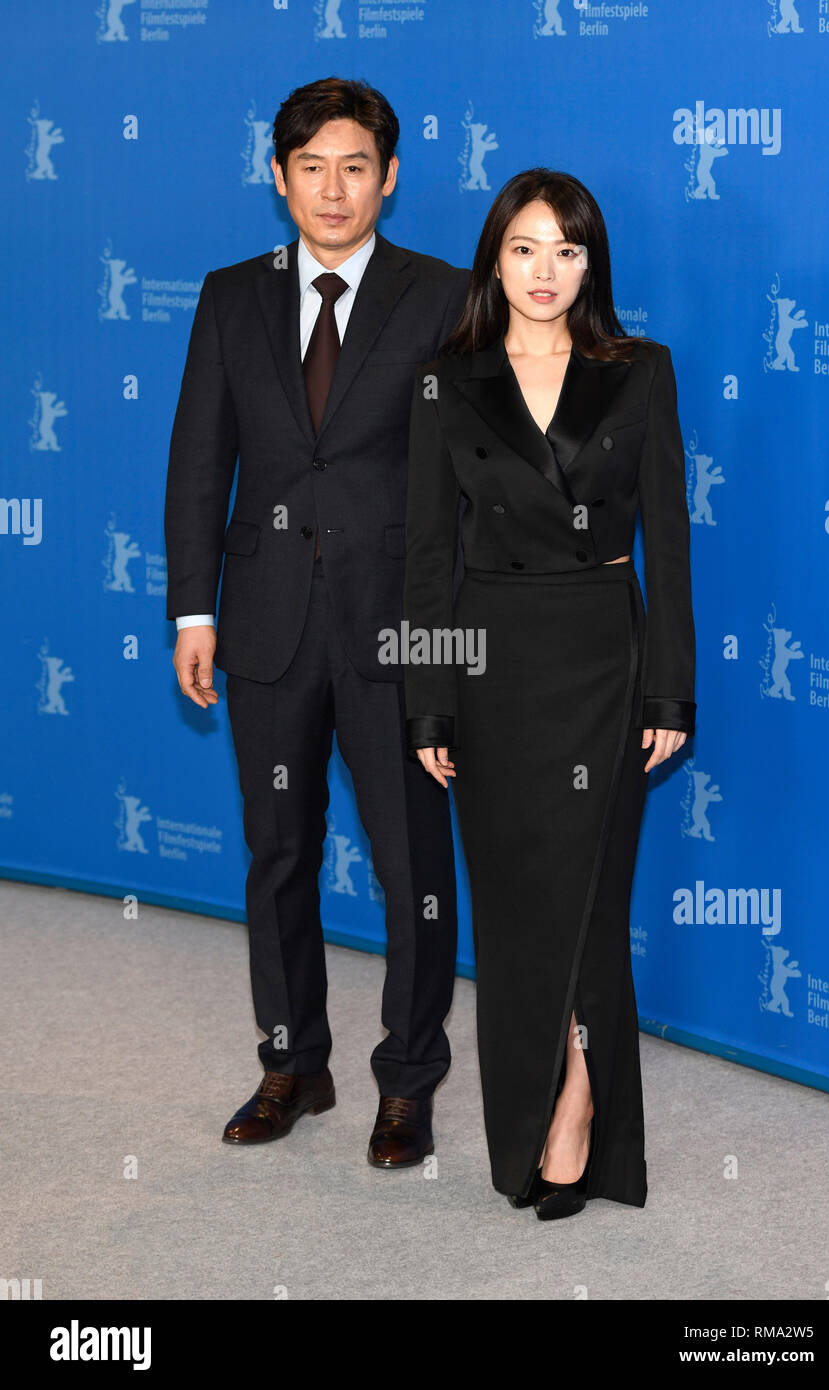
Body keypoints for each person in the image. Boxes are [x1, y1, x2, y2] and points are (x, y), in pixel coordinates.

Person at [164, 78, 470, 1168]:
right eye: (310, 167)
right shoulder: (229, 296)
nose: (332, 189)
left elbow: (470, 478)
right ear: (279, 176)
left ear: (388, 176)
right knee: (278, 852)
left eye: (354, 167)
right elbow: (202, 459)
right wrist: (193, 606)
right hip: (265, 620)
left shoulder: (445, 296)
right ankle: (293, 1062)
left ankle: (409, 1078)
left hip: (398, 629)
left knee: (409, 863)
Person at [403, 168, 697, 1219]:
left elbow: (670, 541)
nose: (544, 271)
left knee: (591, 903)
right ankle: (538, 1104)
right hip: (490, 672)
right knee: (521, 911)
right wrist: (427, 704)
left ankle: (577, 1111)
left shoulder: (641, 372)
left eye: (567, 250)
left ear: (591, 263)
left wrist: (672, 693)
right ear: (496, 256)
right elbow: (426, 559)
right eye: (525, 247)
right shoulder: (446, 381)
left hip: (605, 667)